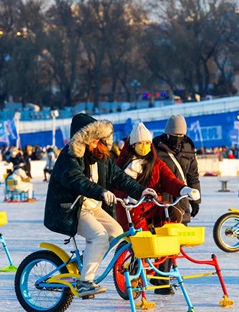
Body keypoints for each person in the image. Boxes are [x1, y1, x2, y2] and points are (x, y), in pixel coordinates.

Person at [43, 113, 156, 298]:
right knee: (99, 236)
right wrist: (101, 192)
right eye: (93, 139)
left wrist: (141, 191)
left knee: (117, 233)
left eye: (98, 138)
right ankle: (85, 282)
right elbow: (77, 180)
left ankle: (92, 266)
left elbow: (118, 177)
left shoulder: (100, 157)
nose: (97, 143)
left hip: (92, 206)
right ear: (83, 140)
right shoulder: (69, 158)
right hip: (71, 208)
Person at [114, 123, 200, 295]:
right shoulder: (126, 165)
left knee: (171, 222)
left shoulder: (156, 163)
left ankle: (163, 274)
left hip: (153, 207)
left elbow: (170, 180)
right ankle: (139, 273)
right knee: (143, 241)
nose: (145, 147)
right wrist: (130, 196)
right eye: (140, 143)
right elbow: (120, 186)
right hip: (132, 210)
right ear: (132, 145)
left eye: (147, 143)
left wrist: (185, 190)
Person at [152, 115, 202, 223]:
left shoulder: (189, 150)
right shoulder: (156, 148)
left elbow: (193, 177)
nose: (178, 137)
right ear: (168, 133)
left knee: (182, 235)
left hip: (182, 200)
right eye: (175, 134)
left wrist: (195, 201)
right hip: (162, 201)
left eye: (181, 135)